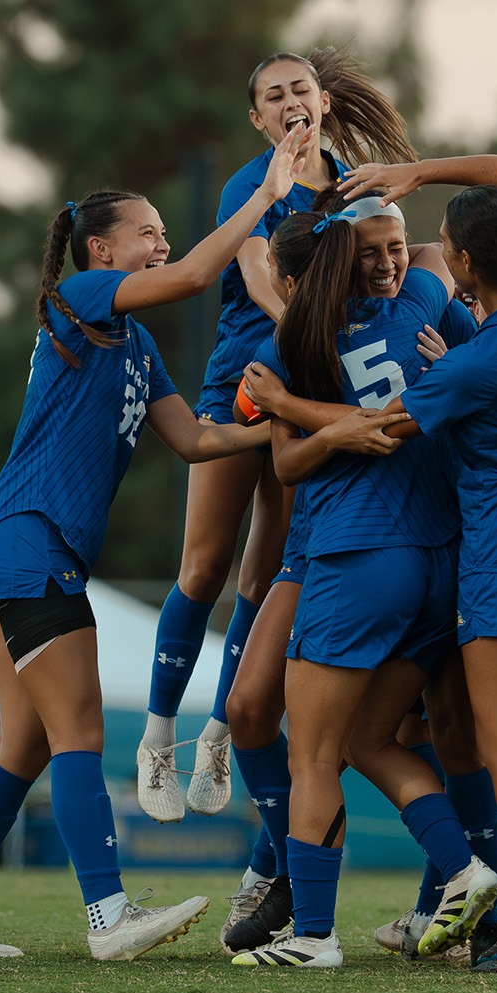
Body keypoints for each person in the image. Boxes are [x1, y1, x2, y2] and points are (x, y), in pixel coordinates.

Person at [0, 125, 309, 962]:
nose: (162, 244)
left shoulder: (137, 343)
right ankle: (108, 918)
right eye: (148, 232)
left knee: (24, 748)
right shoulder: (81, 294)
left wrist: (285, 433)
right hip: (27, 539)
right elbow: (200, 274)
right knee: (81, 730)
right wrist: (264, 199)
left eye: (163, 231)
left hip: (32, 547)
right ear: (99, 248)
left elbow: (195, 440)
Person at [260, 153, 497, 973]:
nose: (415, 257)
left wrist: (286, 409)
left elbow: (377, 430)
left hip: (496, 555)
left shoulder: (462, 359)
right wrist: (419, 173)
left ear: (464, 264)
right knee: (488, 743)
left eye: (436, 246)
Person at [139, 50, 417, 824]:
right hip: (250, 378)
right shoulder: (252, 185)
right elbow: (262, 277)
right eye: (273, 94)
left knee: (265, 576)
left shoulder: (353, 179)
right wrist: (304, 336)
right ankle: (158, 738)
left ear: (322, 102)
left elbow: (389, 260)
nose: (290, 101)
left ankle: (222, 731)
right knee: (204, 568)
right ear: (257, 117)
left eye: (301, 88)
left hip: (318, 382)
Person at [226, 203, 494, 969]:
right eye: (370, 251)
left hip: (359, 556)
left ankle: (310, 934)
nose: (390, 263)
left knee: (311, 756)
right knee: (367, 739)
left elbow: (289, 461)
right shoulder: (420, 299)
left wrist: (307, 417)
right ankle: (469, 873)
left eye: (395, 247)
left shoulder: (292, 341)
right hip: (441, 561)